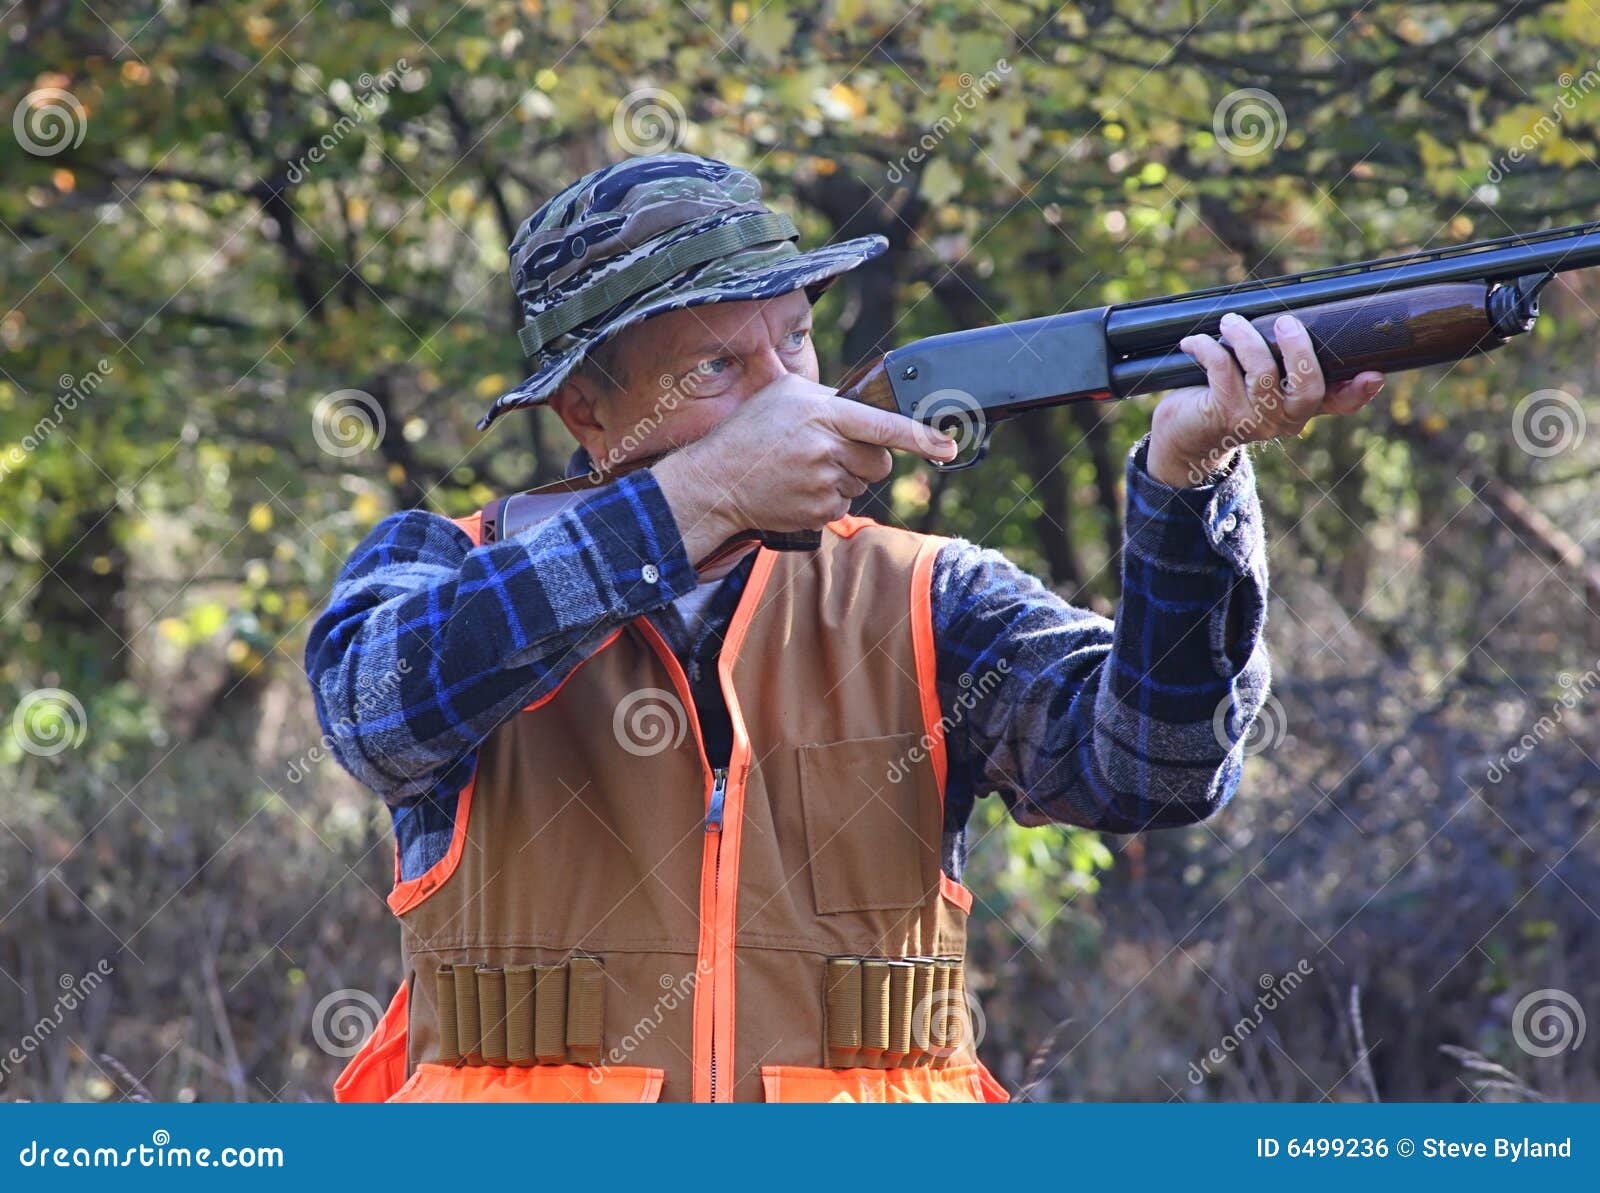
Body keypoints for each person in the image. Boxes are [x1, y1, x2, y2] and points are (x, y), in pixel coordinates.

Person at [306, 153, 1385, 1103]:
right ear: (586, 413)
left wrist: (1186, 480)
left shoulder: (927, 594)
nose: (789, 400)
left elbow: (1159, 769)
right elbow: (376, 711)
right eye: (718, 368)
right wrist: (703, 498)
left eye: (796, 343)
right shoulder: (443, 565)